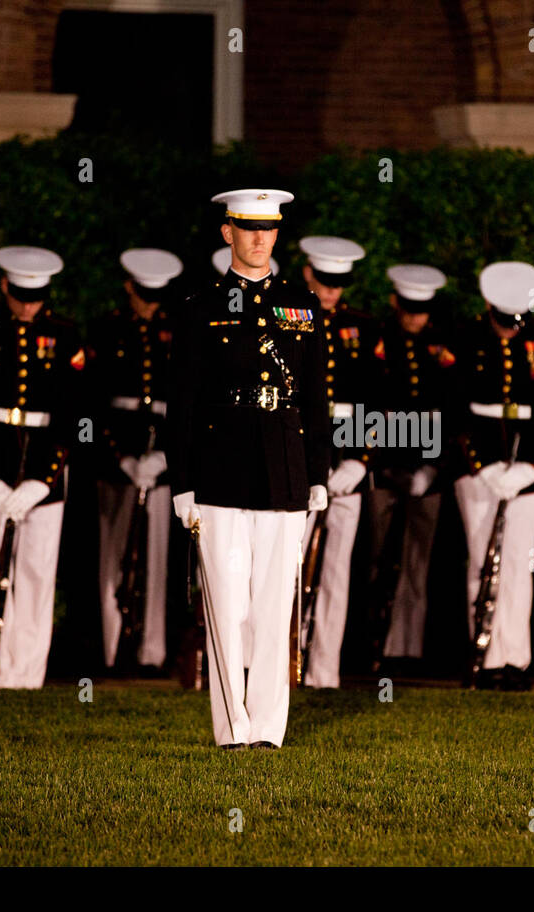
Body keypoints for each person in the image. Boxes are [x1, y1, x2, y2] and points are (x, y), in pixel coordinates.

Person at [171, 189, 330, 749]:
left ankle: (265, 728)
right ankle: (230, 727)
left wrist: (318, 473)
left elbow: (314, 397)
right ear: (227, 233)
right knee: (227, 602)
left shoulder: (302, 303)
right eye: (248, 227)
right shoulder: (199, 305)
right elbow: (183, 401)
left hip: (284, 465)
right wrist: (182, 480)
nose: (260, 238)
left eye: (269, 228)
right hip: (219, 466)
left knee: (272, 603)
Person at [0, 245, 83, 688]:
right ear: (4, 288)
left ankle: (26, 675)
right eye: (21, 295)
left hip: (43, 460)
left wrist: (43, 478)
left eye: (37, 297)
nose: (30, 305)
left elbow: (73, 412)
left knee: (36, 573)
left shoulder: (65, 335)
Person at [452, 261, 534, 691]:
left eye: (518, 322)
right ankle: (483, 653)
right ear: (489, 307)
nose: (512, 330)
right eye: (504, 321)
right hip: (479, 469)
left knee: (520, 562)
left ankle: (515, 658)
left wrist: (532, 464)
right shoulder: (464, 340)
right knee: (482, 560)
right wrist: (482, 464)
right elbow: (453, 407)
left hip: (527, 468)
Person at [92, 248, 179, 674]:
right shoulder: (108, 329)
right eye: (143, 294)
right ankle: (111, 650)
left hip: (161, 457)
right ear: (129, 287)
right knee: (114, 557)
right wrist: (122, 458)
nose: (149, 304)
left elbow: (186, 403)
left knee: (156, 559)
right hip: (119, 457)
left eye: (155, 296)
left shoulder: (175, 330)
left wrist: (166, 455)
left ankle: (152, 651)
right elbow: (95, 401)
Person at [364, 263, 452, 671]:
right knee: (374, 557)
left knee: (418, 560)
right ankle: (366, 645)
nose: (417, 316)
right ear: (395, 302)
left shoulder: (441, 344)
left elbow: (448, 409)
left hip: (427, 470)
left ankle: (406, 649)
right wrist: (384, 463)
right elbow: (369, 405)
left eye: (423, 308)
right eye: (410, 307)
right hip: (384, 466)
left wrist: (432, 467)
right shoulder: (378, 342)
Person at [297, 234, 373, 688]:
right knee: (289, 566)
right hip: (302, 459)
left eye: (338, 283)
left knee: (336, 574)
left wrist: (360, 460)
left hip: (346, 461)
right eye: (324, 281)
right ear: (308, 273)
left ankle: (324, 670)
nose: (330, 292)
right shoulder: (292, 320)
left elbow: (375, 400)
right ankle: (283, 658)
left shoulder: (362, 327)